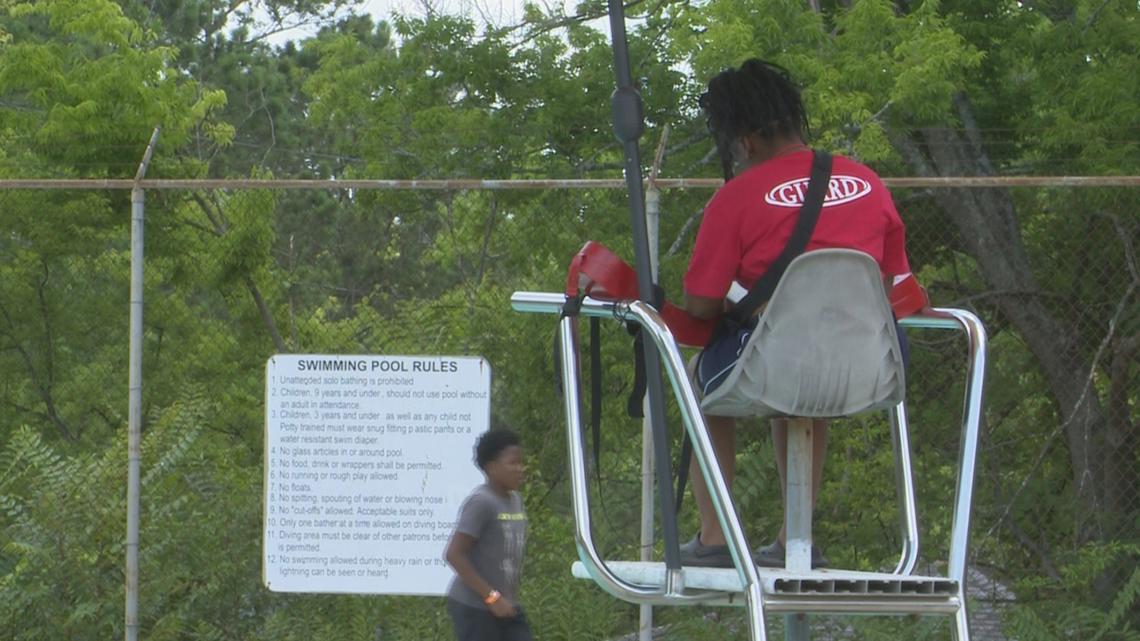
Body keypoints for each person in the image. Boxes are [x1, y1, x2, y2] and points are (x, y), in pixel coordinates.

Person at [678, 59, 911, 569]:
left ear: (744, 142)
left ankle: (715, 537)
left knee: (700, 378)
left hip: (779, 361)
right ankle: (794, 535)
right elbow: (896, 284)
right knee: (805, 373)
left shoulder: (736, 198)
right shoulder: (868, 182)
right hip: (875, 366)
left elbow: (699, 304)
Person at [444, 429, 532, 641]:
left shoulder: (515, 500)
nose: (520, 469)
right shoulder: (481, 502)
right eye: (513, 463)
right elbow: (454, 554)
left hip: (506, 605)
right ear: (492, 468)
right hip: (475, 607)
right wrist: (492, 598)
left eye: (521, 463)